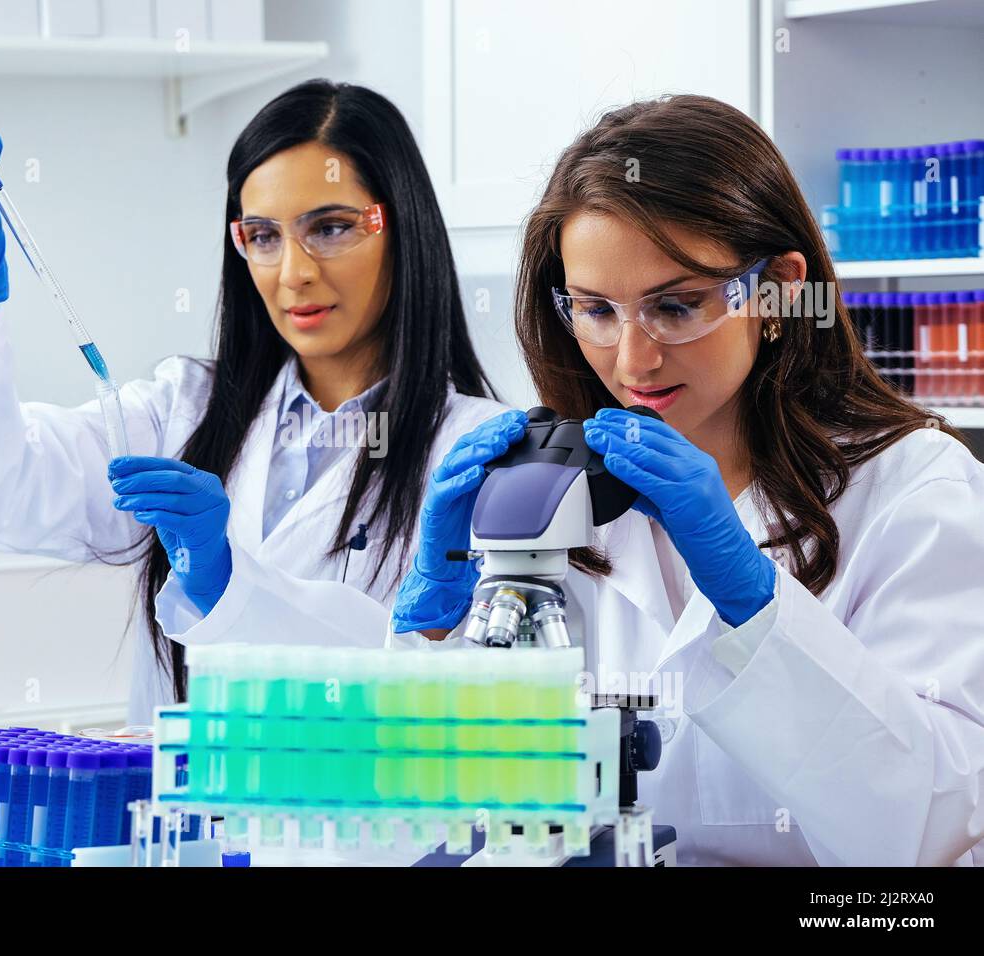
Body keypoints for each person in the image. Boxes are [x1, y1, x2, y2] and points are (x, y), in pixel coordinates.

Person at [390, 95, 984, 866]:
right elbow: (452, 807)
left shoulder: (913, 489)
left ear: (776, 290)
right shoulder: (557, 490)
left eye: (675, 306)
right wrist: (435, 636)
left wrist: (755, 606)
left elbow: (941, 832)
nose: (633, 362)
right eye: (596, 310)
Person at [0, 80, 505, 725]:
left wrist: (227, 582)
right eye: (264, 236)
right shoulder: (184, 408)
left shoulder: (481, 452)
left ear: (402, 226)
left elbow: (473, 712)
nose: (294, 272)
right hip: (174, 823)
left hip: (362, 823)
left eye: (330, 228)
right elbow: (1, 492)